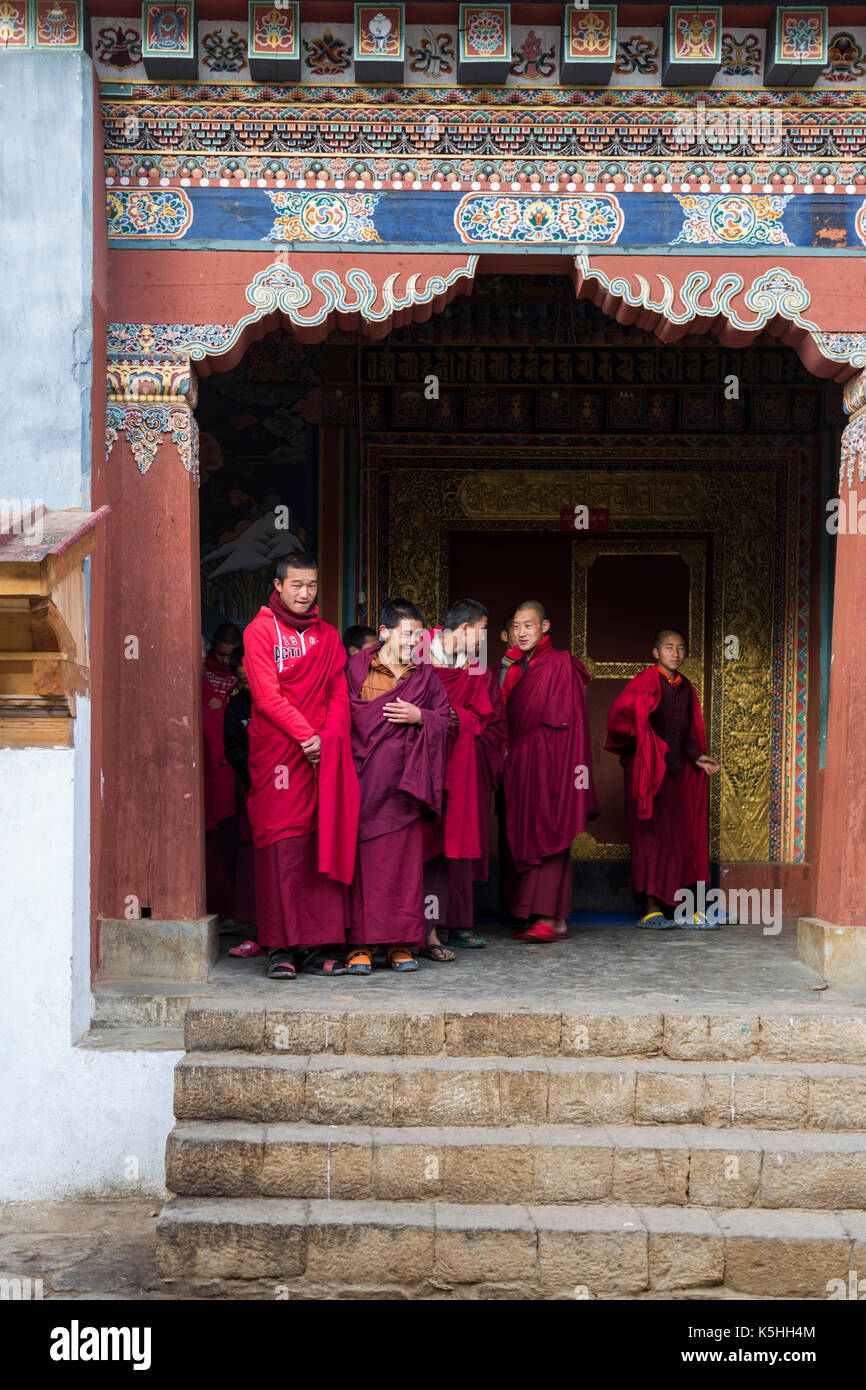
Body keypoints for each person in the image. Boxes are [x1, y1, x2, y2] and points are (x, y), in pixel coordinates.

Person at [242, 553, 360, 979]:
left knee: (316, 846)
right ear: (278, 586)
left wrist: (326, 739)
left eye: (311, 585)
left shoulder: (327, 637)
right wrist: (307, 736)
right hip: (280, 754)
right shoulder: (259, 632)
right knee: (281, 848)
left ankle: (313, 946)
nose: (305, 593)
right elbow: (267, 696)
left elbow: (337, 694)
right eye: (296, 585)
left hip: (320, 755)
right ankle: (280, 948)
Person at [345, 598, 452, 974]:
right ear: (386, 632)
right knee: (363, 869)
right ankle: (359, 945)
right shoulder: (356, 668)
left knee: (404, 872)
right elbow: (341, 715)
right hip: (364, 782)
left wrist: (420, 715)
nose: (413, 643)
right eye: (408, 635)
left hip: (406, 788)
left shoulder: (425, 676)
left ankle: (399, 944)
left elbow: (448, 722)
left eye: (419, 637)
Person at [605, 627, 721, 929]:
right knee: (650, 839)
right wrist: (644, 741)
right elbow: (619, 722)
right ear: (656, 652)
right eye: (669, 647)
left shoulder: (686, 688)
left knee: (680, 839)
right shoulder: (643, 684)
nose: (675, 653)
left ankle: (681, 906)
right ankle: (651, 908)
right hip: (646, 773)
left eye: (680, 648)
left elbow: (685, 735)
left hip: (675, 774)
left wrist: (699, 757)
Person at [501, 600, 597, 943]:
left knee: (550, 830)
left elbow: (572, 726)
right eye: (516, 626)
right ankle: (546, 918)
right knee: (528, 832)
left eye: (528, 625)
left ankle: (547, 917)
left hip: (553, 762)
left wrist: (569, 773)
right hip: (523, 763)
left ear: (545, 627)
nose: (521, 631)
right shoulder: (515, 668)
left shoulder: (561, 664)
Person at [422, 599, 506, 958]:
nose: (485, 640)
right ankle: (415, 928)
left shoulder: (475, 665)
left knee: (452, 841)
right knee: (421, 840)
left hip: (458, 758)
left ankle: (451, 923)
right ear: (467, 630)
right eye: (483, 631)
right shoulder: (418, 649)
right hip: (421, 755)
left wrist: (458, 721)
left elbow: (481, 714)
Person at [223, 649, 262, 958]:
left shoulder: (282, 696)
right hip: (252, 786)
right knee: (253, 858)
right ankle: (257, 931)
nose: (248, 685)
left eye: (251, 678)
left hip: (287, 784)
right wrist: (256, 763)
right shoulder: (237, 706)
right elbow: (232, 749)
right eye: (242, 681)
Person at [202, 623, 242, 924]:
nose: (225, 662)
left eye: (231, 656)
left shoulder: (245, 681)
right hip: (209, 773)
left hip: (235, 773)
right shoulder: (200, 673)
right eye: (219, 654)